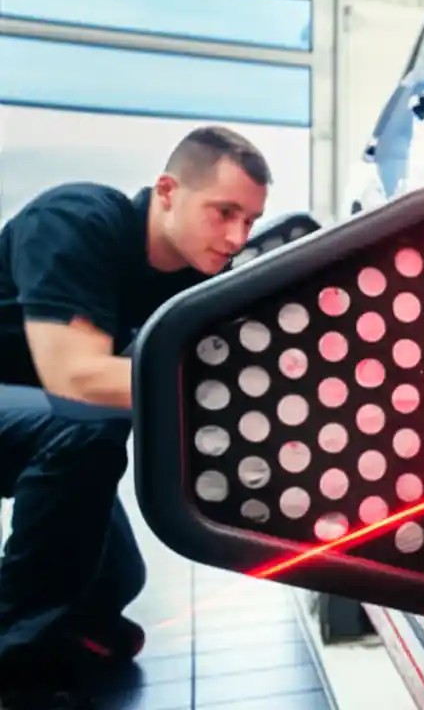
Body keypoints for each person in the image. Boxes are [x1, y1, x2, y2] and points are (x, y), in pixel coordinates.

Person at [0, 126, 270, 699]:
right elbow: (74, 379)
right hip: (43, 410)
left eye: (249, 221)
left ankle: (64, 631)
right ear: (167, 191)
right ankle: (15, 664)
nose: (236, 237)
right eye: (224, 212)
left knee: (117, 582)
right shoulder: (73, 221)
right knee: (86, 426)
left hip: (31, 418)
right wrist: (222, 393)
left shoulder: (194, 279)